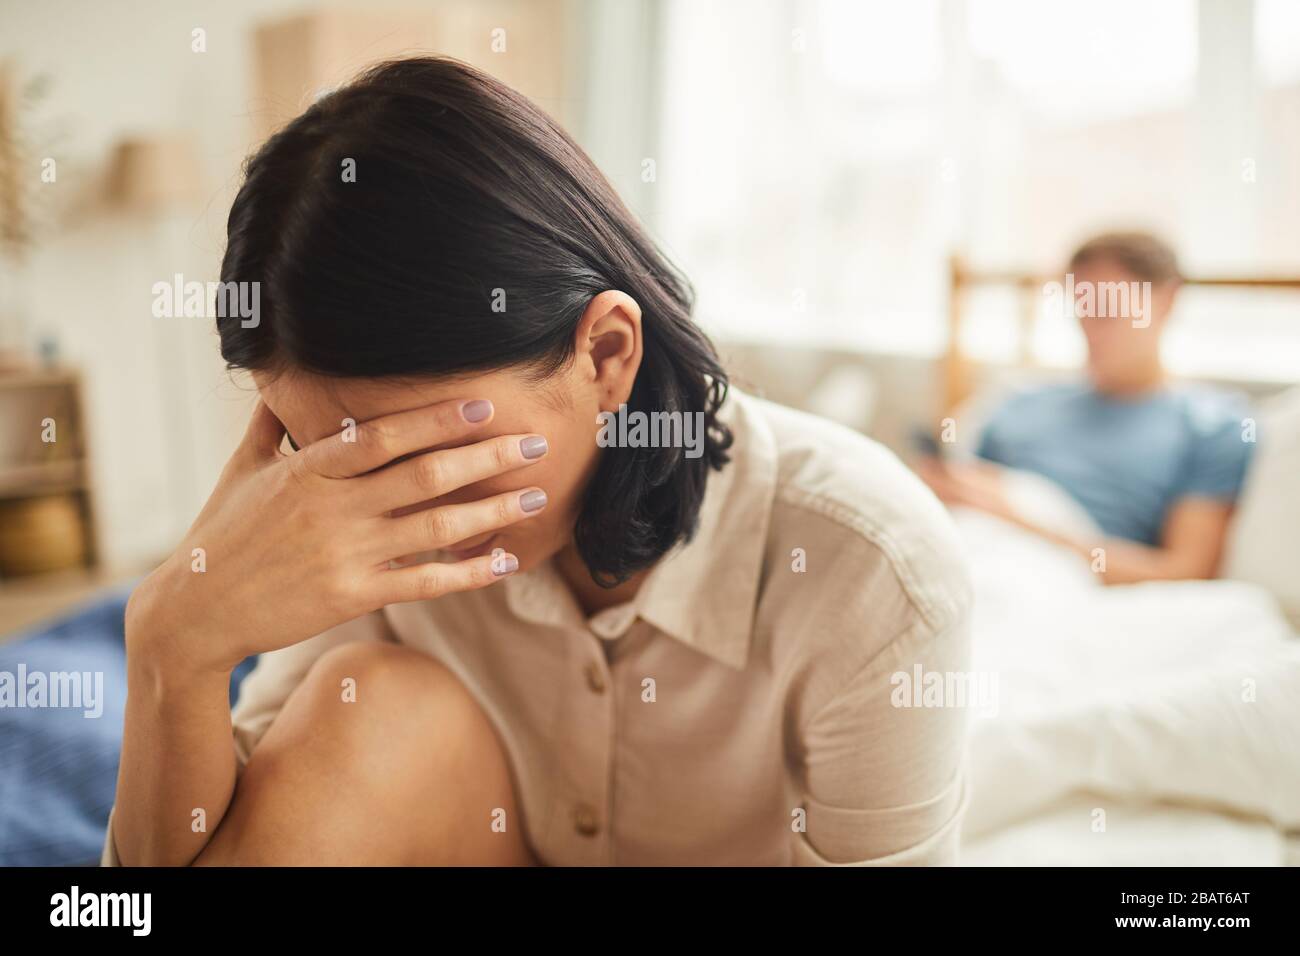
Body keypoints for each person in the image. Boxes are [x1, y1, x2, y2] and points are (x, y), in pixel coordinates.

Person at [103, 57, 972, 867]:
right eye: (323, 458)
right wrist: (173, 646)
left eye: (429, 459)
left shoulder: (873, 571)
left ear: (605, 357)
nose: (383, 515)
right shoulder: (358, 533)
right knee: (365, 702)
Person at [920, 232, 1253, 584]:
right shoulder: (1019, 404)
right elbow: (970, 504)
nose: (1091, 329)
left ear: (1167, 301)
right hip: (971, 552)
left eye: (1108, 308)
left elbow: (1184, 574)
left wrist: (1024, 524)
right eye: (1082, 307)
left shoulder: (1212, 427)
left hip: (1060, 582)